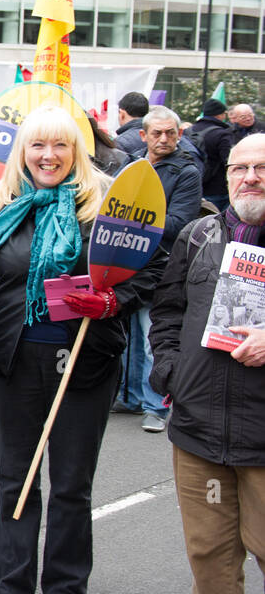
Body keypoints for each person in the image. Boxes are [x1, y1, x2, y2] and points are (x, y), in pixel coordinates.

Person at [0, 106, 162, 594]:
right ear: (22, 152)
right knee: (16, 479)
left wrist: (115, 301)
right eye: (37, 145)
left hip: (85, 361)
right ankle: (11, 590)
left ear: (77, 151)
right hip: (13, 361)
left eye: (60, 145)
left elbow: (151, 268)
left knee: (72, 484)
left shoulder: (106, 205)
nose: (48, 156)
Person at [149, 133, 265, 594]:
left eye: (262, 168)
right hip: (199, 432)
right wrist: (171, 374)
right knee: (211, 558)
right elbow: (168, 310)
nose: (250, 178)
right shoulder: (199, 235)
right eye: (240, 168)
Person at [111, 106, 202, 432]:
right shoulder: (132, 164)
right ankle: (131, 397)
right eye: (157, 133)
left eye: (170, 133)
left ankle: (156, 406)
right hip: (128, 260)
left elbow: (178, 223)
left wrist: (133, 217)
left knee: (153, 338)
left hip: (163, 264)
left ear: (179, 134)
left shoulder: (187, 171)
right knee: (130, 335)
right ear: (143, 135)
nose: (164, 139)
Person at [187, 99, 233, 209]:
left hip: (191, 185)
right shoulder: (222, 134)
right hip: (217, 190)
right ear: (219, 115)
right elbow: (229, 161)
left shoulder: (187, 131)